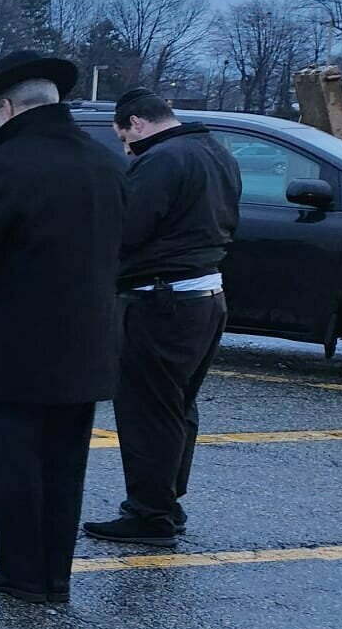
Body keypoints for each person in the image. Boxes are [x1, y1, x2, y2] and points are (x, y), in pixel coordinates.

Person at [0, 50, 126, 604]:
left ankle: (22, 571)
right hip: (90, 336)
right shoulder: (104, 161)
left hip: (20, 343)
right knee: (65, 464)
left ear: (6, 107)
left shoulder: (8, 162)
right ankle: (56, 574)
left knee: (13, 462)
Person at [84, 88, 242, 546]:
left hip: (161, 300)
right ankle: (166, 502)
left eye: (124, 139)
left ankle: (149, 514)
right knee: (177, 405)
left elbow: (129, 228)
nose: (126, 149)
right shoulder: (217, 153)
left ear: (135, 123)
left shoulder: (162, 160)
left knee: (147, 409)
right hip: (206, 294)